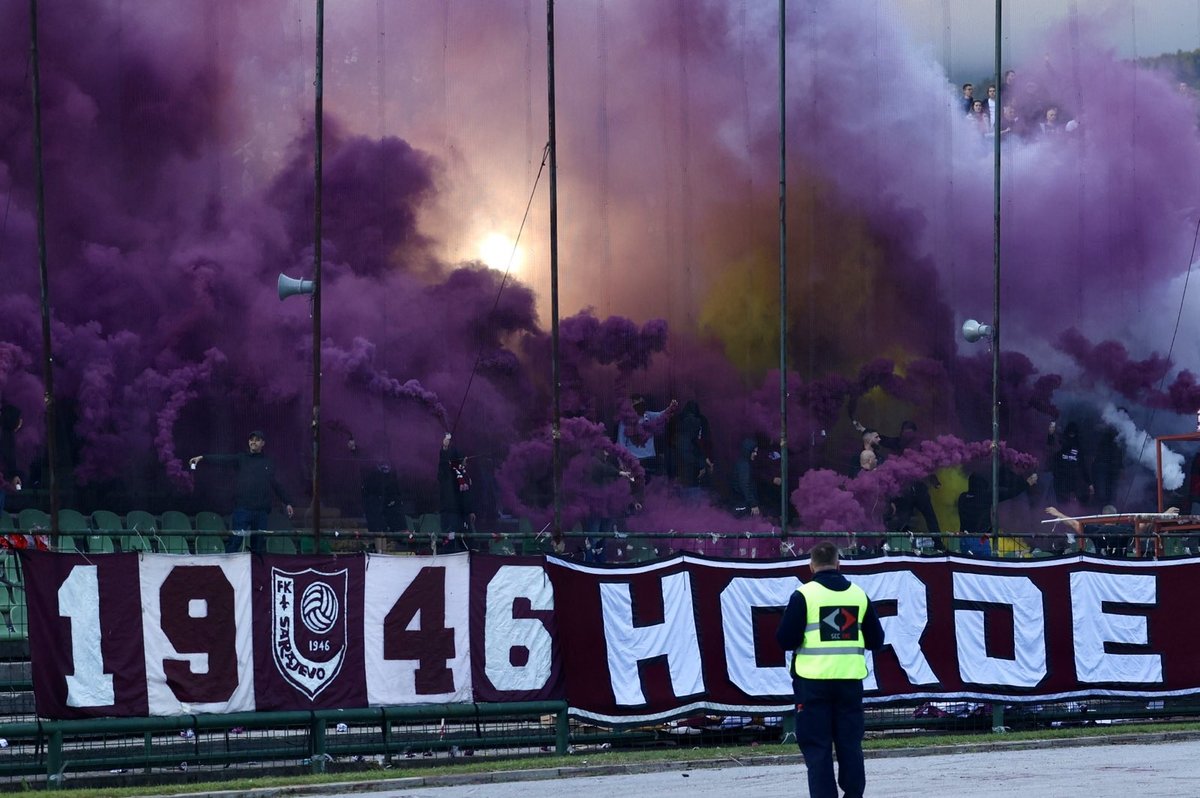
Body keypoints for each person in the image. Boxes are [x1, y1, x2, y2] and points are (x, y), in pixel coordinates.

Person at [776, 541, 885, 798]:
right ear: (839, 564)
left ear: (811, 566)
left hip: (812, 684)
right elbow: (876, 640)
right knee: (850, 744)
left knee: (817, 749)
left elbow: (785, 640)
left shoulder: (803, 595)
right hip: (849, 682)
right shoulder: (858, 595)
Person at [189, 430, 294, 553]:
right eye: (251, 439)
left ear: (263, 443)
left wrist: (287, 502)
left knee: (258, 545)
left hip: (261, 512)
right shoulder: (241, 458)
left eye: (257, 439)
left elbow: (275, 484)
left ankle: (256, 570)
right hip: (243, 509)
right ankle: (227, 569)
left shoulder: (268, 462)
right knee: (235, 541)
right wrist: (202, 458)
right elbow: (223, 459)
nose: (253, 442)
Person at [958, 470, 1038, 555]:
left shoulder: (962, 497)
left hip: (964, 539)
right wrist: (1027, 483)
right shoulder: (985, 497)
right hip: (980, 539)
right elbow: (1010, 493)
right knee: (983, 565)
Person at [616, 394, 678, 479]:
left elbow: (662, 415)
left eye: (642, 403)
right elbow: (621, 444)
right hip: (635, 460)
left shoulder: (649, 416)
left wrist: (670, 408)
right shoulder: (625, 422)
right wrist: (622, 463)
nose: (640, 406)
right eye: (637, 404)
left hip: (650, 458)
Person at [438, 432, 475, 549]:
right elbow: (443, 463)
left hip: (463, 515)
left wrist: (470, 511)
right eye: (463, 457)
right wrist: (444, 448)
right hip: (450, 514)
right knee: (450, 544)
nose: (466, 459)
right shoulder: (447, 474)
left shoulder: (465, 476)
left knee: (467, 543)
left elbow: (467, 496)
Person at [0, 404, 22, 516]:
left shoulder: (9, 439)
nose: (21, 421)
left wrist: (14, 476)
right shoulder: (5, 440)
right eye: (19, 418)